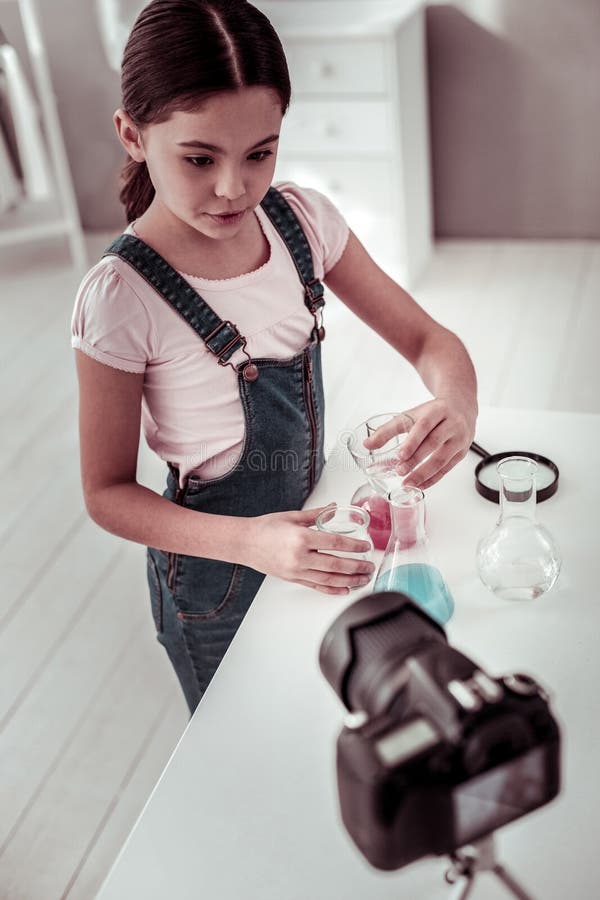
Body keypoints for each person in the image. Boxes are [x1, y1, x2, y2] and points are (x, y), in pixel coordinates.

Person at [71, 0, 477, 715]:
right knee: (243, 749)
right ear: (132, 135)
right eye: (199, 158)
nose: (235, 188)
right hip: (214, 579)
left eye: (260, 152)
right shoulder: (120, 296)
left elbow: (430, 341)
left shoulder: (301, 223)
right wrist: (250, 543)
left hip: (315, 540)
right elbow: (106, 494)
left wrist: (457, 403)